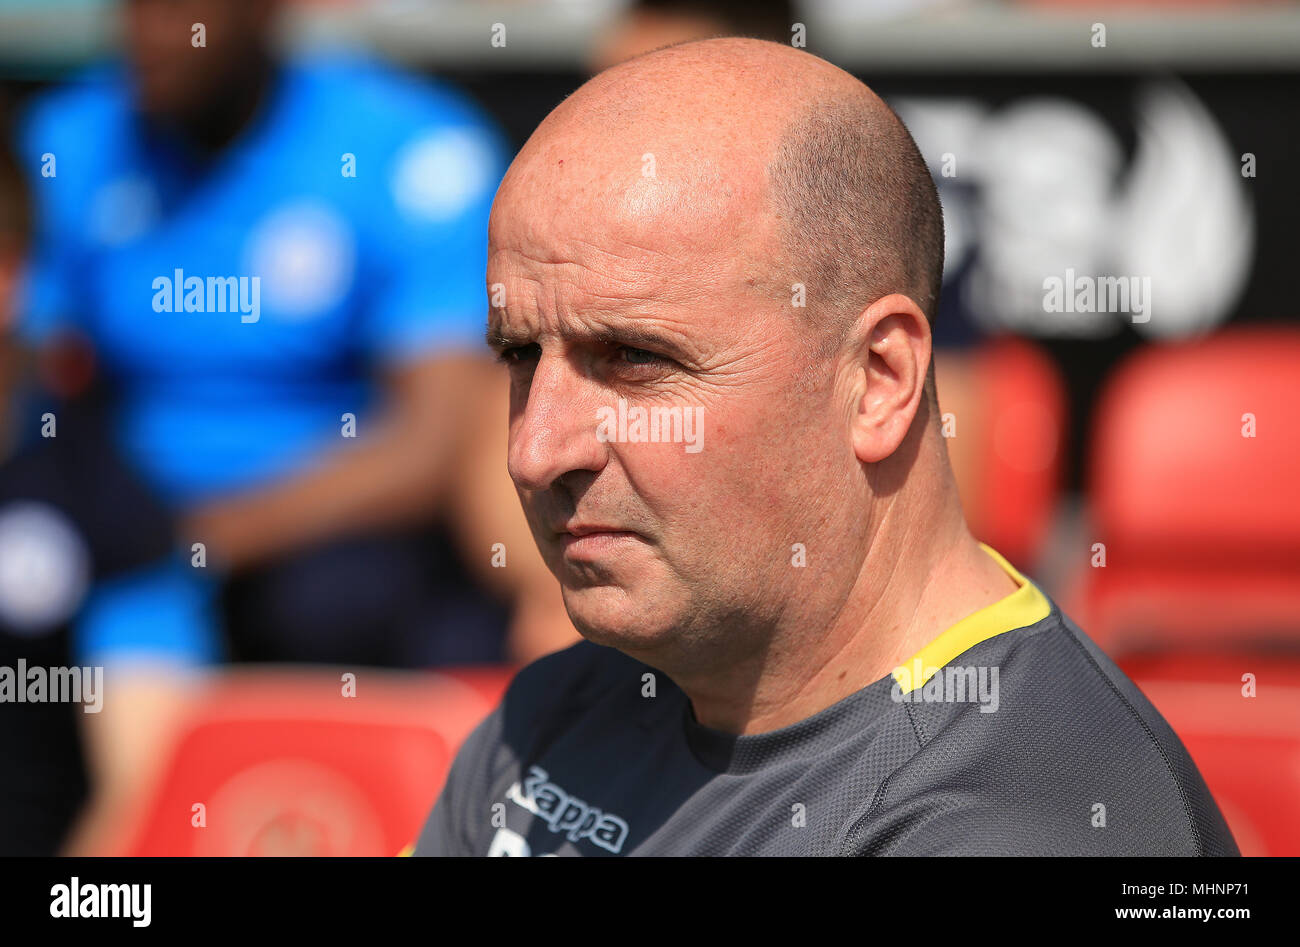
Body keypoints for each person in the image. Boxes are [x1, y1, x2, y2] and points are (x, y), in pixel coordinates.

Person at [413, 37, 1238, 856]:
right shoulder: (558, 713)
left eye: (634, 359)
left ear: (878, 379)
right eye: (519, 354)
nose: (535, 449)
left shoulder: (1031, 818)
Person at [4, 0, 574, 855]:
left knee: (347, 605)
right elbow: (32, 372)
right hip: (109, 518)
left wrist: (198, 537)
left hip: (326, 548)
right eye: (132, 10)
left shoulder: (405, 147)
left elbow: (441, 435)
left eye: (182, 13)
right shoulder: (71, 140)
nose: (151, 36)